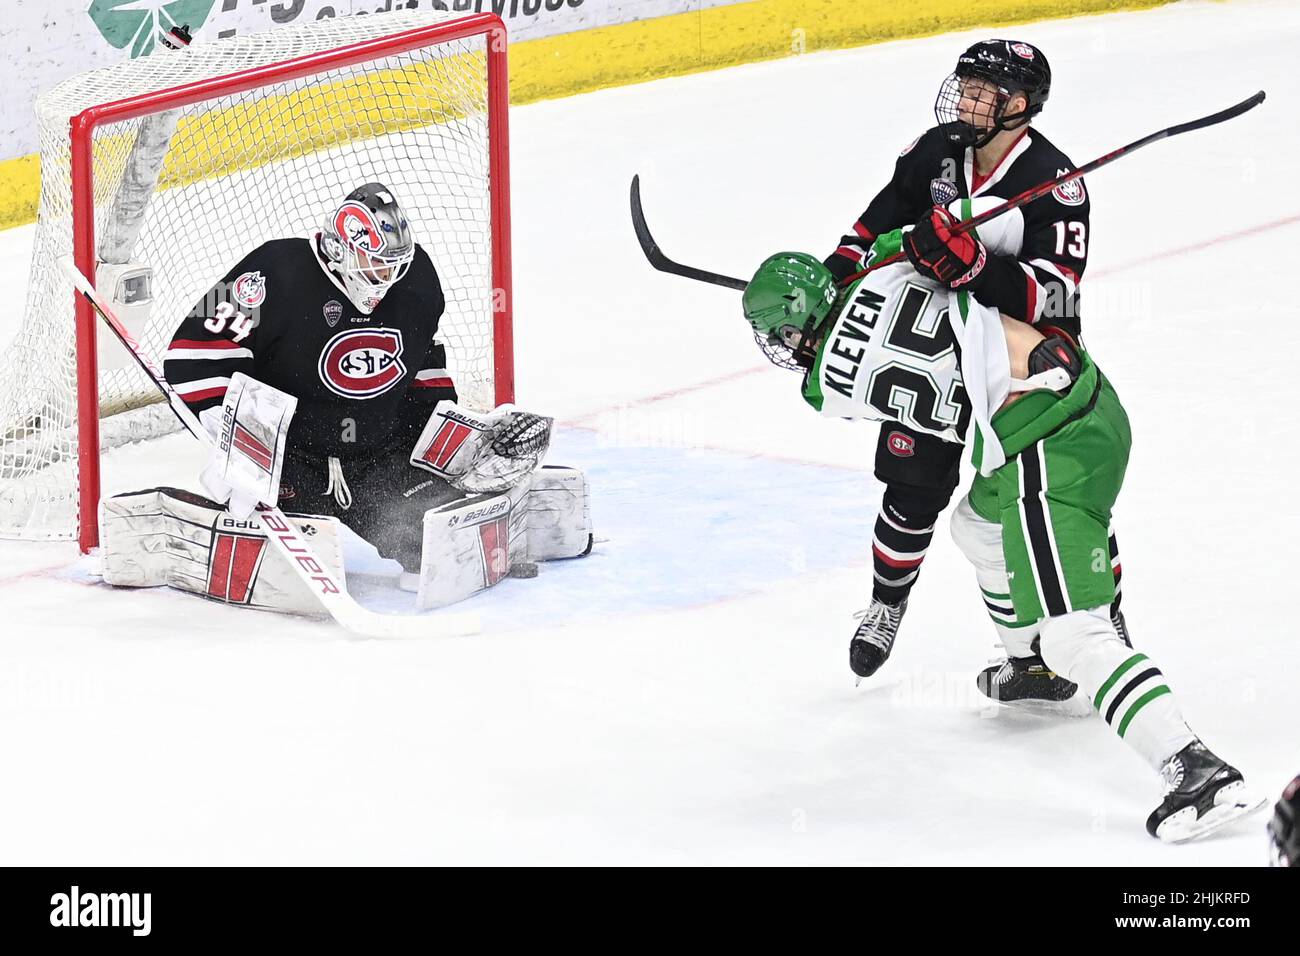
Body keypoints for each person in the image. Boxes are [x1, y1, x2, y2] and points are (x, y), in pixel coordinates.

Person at [737, 236, 1264, 841]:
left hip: (1048, 450)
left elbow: (853, 372)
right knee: (976, 524)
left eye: (777, 335)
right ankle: (1034, 669)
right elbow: (903, 239)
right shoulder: (888, 262)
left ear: (795, 326)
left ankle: (1197, 769)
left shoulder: (823, 388)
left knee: (1074, 633)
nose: (779, 348)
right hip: (1082, 398)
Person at [820, 39, 1123, 692]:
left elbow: (1058, 295)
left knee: (1045, 502)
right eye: (965, 85)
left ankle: (1097, 619)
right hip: (926, 351)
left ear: (1020, 106)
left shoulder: (1057, 185)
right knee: (911, 491)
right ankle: (886, 605)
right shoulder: (933, 152)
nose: (965, 99)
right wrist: (835, 275)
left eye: (984, 90)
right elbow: (871, 227)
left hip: (1017, 373)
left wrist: (981, 267)